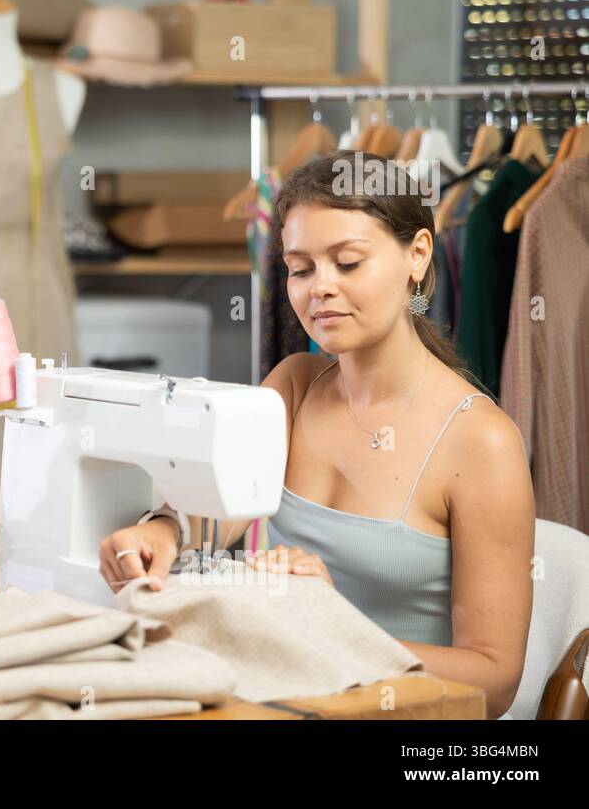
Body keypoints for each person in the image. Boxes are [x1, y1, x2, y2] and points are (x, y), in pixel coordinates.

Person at [98, 153, 534, 718]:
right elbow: (215, 514)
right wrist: (162, 531)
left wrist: (332, 623)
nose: (319, 288)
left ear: (418, 256)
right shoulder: (296, 386)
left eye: (348, 263)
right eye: (301, 269)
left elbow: (495, 680)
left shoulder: (481, 442)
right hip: (278, 696)